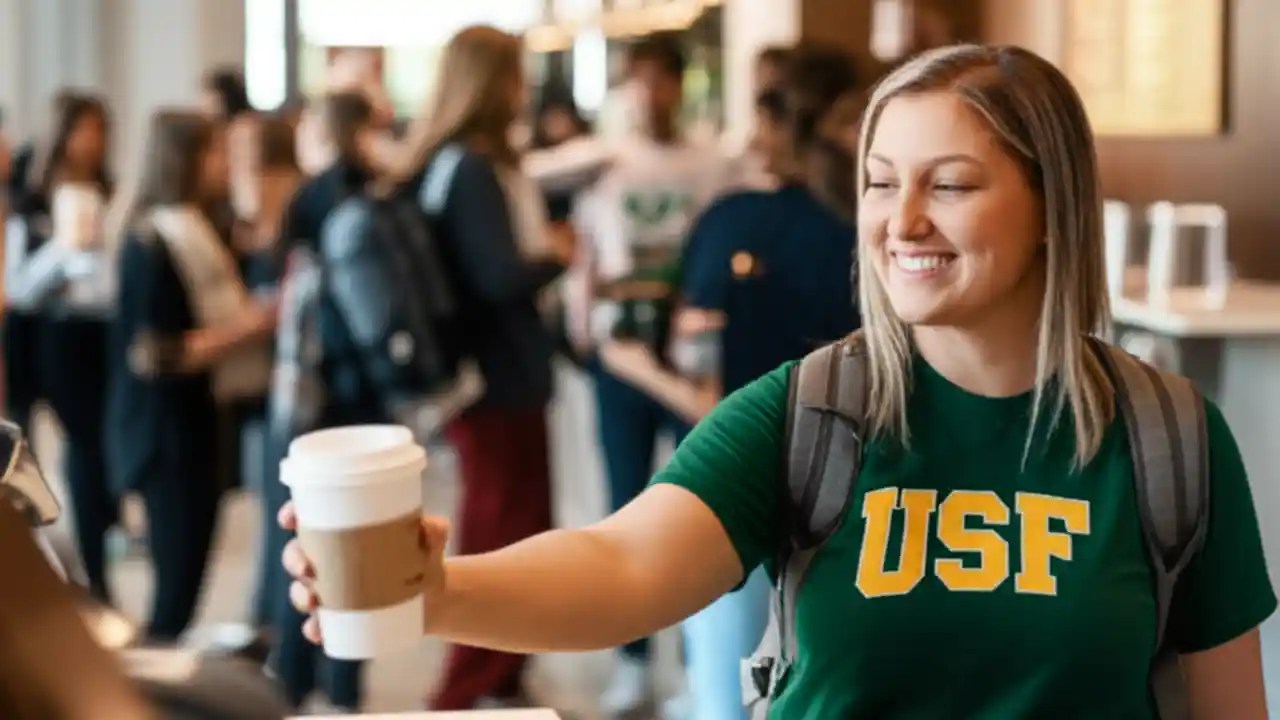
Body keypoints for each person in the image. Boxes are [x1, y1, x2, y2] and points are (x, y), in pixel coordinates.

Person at [285, 44, 1275, 718]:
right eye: (880, 181)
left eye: (952, 184)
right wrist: (434, 589)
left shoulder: (1165, 437)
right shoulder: (812, 411)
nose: (902, 220)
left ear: (1051, 206)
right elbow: (621, 568)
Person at [384, 26, 571, 710]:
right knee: (501, 538)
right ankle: (463, 694)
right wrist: (558, 255)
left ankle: (502, 682)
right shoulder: (469, 168)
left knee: (519, 528)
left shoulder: (459, 163)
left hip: (499, 377)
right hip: (495, 380)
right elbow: (495, 276)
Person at [566, 33, 731, 714]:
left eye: (663, 79)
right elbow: (585, 255)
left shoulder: (712, 166)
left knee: (699, 509)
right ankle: (631, 660)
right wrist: (581, 315)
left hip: (688, 361)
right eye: (639, 80)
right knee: (624, 506)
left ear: (680, 85)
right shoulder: (604, 167)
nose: (650, 93)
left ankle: (700, 668)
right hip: (621, 359)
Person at [107, 110, 276, 641]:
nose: (225, 164)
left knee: (187, 582)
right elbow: (155, 353)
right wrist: (253, 326)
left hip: (200, 422)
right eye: (215, 151)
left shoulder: (206, 228)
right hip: (166, 436)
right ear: (184, 159)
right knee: (174, 595)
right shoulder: (151, 240)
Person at [263, 91, 380, 713]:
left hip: (310, 396)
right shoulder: (376, 189)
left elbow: (280, 280)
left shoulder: (309, 198)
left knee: (303, 547)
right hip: (364, 396)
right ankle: (343, 690)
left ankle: (293, 682)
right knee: (356, 552)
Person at [5, 93, 118, 604]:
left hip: (91, 338)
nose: (91, 142)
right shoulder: (29, 199)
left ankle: (93, 578)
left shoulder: (101, 189)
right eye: (83, 130)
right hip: (43, 339)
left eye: (100, 131)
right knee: (25, 461)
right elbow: (18, 286)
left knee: (89, 458)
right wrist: (64, 253)